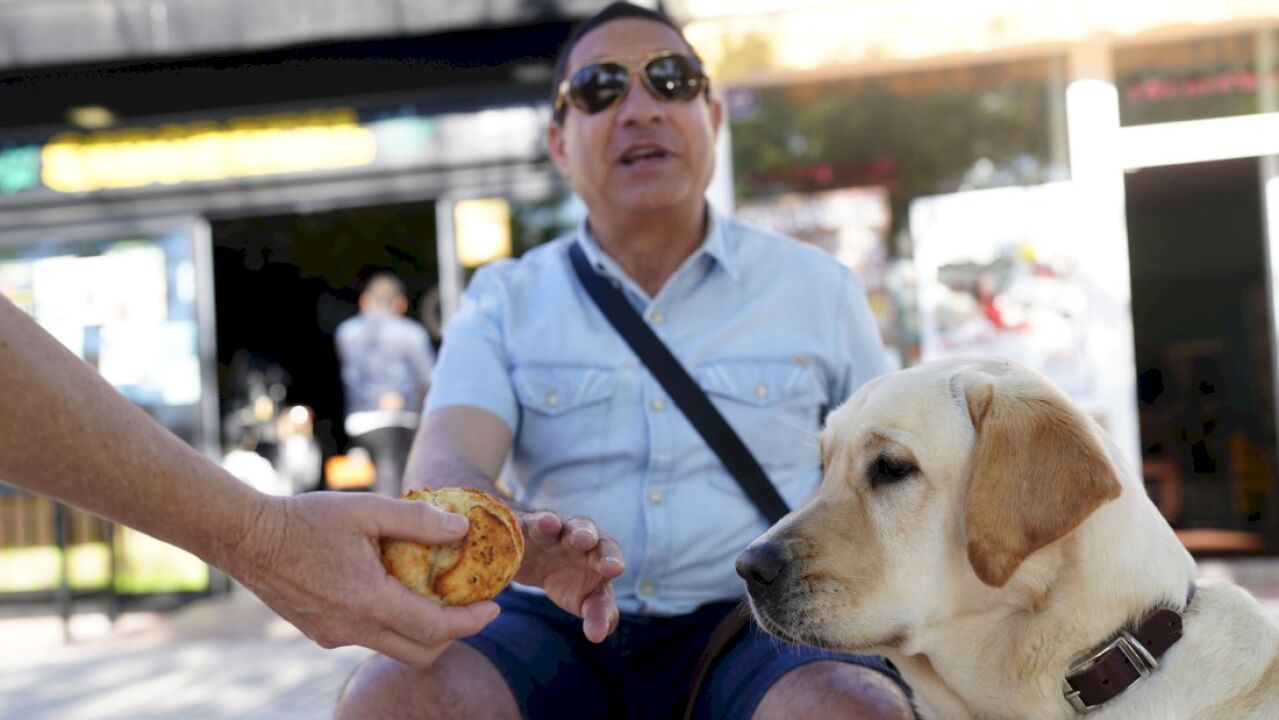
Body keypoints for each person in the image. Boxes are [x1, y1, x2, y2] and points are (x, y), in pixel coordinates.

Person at [338, 4, 914, 719]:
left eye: (669, 81)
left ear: (712, 116)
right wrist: (519, 539)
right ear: (558, 142)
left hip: (759, 617)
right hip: (548, 622)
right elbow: (442, 470)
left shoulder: (817, 287)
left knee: (849, 708)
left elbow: (896, 473)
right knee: (392, 696)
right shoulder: (502, 299)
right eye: (600, 90)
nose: (640, 110)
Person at [0, 292, 498, 667]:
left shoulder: (350, 333)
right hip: (402, 420)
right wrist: (263, 537)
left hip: (363, 420)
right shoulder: (422, 329)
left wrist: (260, 535)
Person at [335, 272, 436, 496]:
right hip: (400, 418)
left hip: (359, 420)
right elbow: (429, 380)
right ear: (400, 304)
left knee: (368, 479)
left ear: (365, 301)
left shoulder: (345, 332)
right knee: (395, 477)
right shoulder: (412, 333)